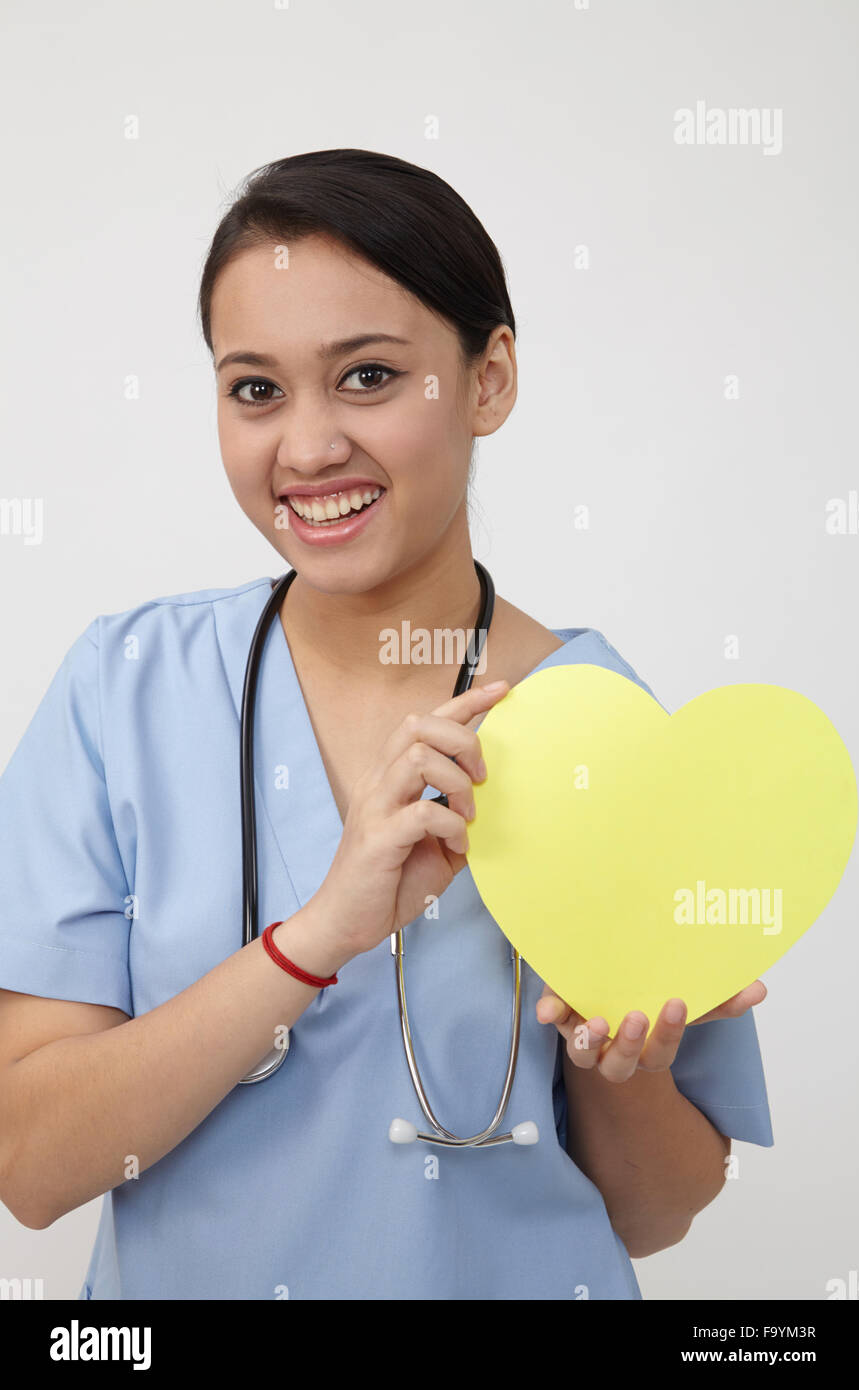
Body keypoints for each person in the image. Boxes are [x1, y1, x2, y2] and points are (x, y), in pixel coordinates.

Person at [0, 149, 772, 1301]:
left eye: (365, 377)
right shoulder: (126, 688)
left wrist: (614, 1065)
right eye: (254, 389)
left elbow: (656, 1215)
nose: (305, 449)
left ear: (488, 378)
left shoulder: (597, 725)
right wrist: (313, 938)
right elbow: (31, 1166)